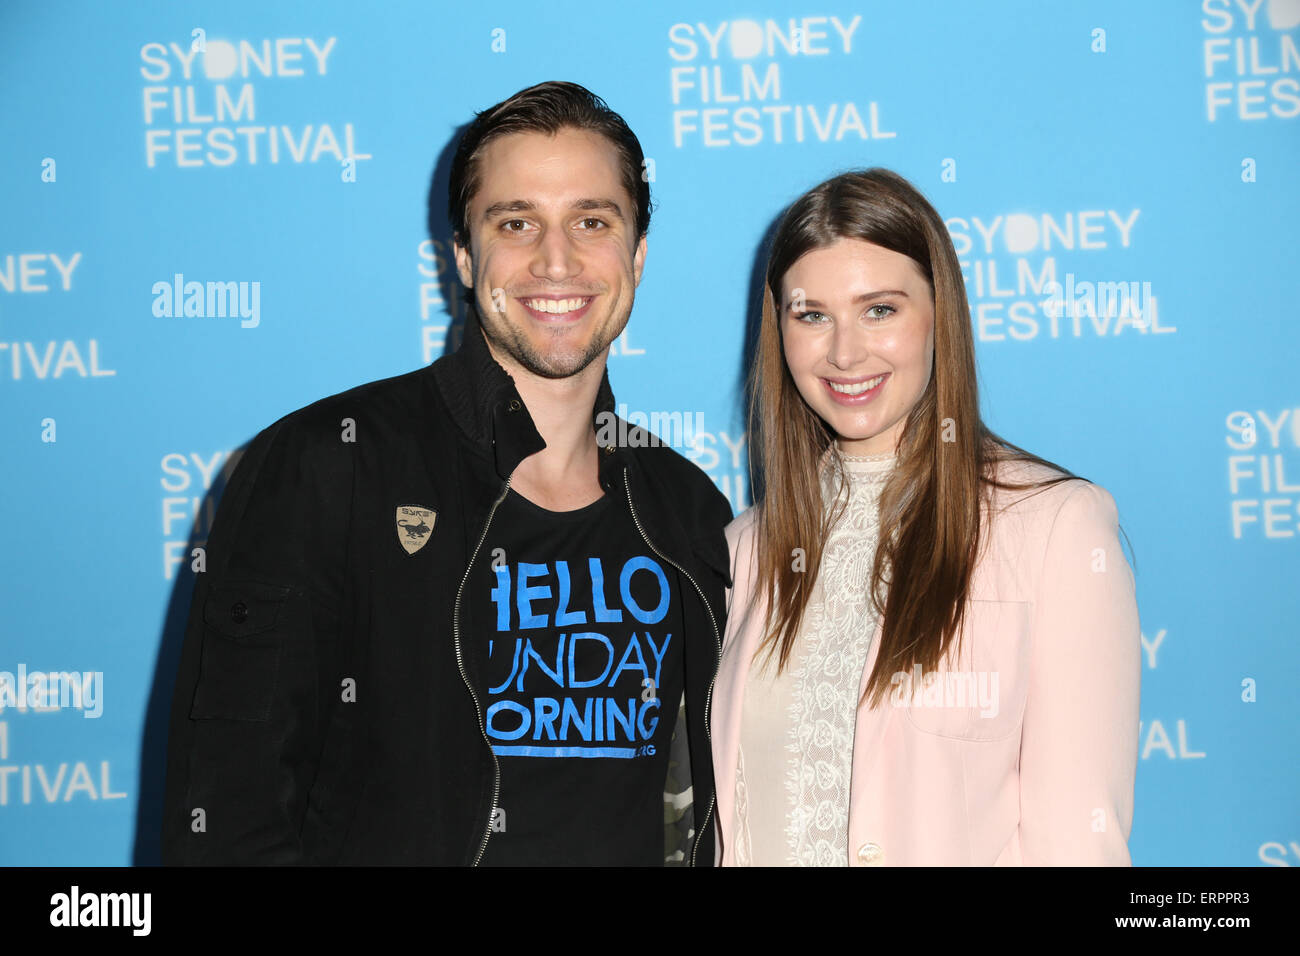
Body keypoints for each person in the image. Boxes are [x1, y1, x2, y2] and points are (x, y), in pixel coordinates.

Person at [161, 81, 733, 866]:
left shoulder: (688, 508)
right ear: (464, 255)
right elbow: (228, 822)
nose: (555, 259)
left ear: (636, 254)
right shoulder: (328, 466)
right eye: (516, 222)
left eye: (592, 222)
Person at [711, 168, 1141, 866]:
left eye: (880, 309)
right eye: (811, 314)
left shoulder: (1056, 530)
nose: (845, 352)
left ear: (939, 313)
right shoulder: (745, 550)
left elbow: (1076, 846)